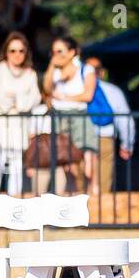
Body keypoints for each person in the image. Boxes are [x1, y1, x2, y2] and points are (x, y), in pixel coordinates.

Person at [0, 32, 42, 196]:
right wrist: (21, 99)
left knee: (17, 169)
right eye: (13, 51)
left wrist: (16, 98)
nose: (17, 54)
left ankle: (13, 211)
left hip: (20, 128)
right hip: (0, 127)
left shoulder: (30, 74)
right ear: (6, 52)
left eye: (21, 51)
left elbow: (35, 99)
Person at [42, 35, 99, 194]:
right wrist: (52, 66)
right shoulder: (55, 72)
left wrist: (66, 98)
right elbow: (47, 88)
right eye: (53, 51)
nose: (56, 54)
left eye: (60, 51)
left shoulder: (86, 69)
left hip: (79, 116)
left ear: (72, 52)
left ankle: (93, 190)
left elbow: (88, 95)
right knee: (67, 159)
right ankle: (73, 193)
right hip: (60, 116)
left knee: (87, 156)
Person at [85, 56, 133, 193]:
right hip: (105, 138)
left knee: (80, 187)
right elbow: (125, 119)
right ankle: (98, 213)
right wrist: (127, 144)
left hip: (80, 140)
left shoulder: (77, 90)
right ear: (102, 72)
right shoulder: (113, 90)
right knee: (103, 185)